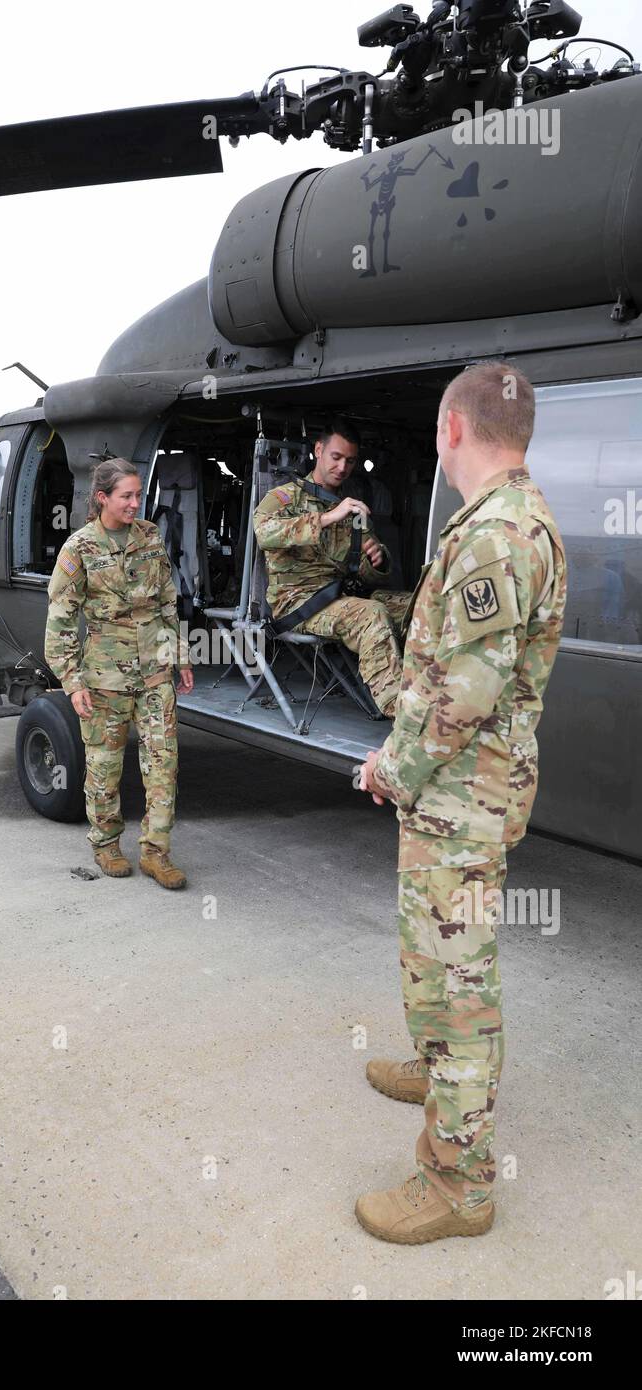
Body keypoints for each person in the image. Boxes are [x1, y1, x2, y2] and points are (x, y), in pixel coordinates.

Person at [357, 361, 567, 1243]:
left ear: (451, 430)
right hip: (467, 792)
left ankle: (458, 1184)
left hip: (458, 796)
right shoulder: (509, 519)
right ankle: (439, 1063)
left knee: (457, 983)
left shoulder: (494, 534)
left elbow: (467, 690)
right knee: (446, 967)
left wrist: (390, 771)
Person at [44, 458, 193, 889]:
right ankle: (106, 843)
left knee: (164, 764)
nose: (135, 503)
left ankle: (156, 853)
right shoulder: (80, 548)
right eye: (126, 495)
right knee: (105, 766)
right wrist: (72, 682)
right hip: (105, 678)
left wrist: (180, 654)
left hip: (154, 672)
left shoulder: (149, 536)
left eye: (137, 494)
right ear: (102, 498)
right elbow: (60, 621)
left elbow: (168, 600)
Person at [253, 419, 411, 717]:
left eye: (350, 461)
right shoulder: (284, 498)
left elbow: (367, 570)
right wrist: (327, 518)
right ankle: (402, 714)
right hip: (297, 603)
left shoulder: (351, 508)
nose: (343, 468)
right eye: (336, 458)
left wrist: (377, 558)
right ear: (318, 451)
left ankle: (435, 697)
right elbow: (264, 534)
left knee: (420, 606)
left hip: (340, 598)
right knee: (371, 614)